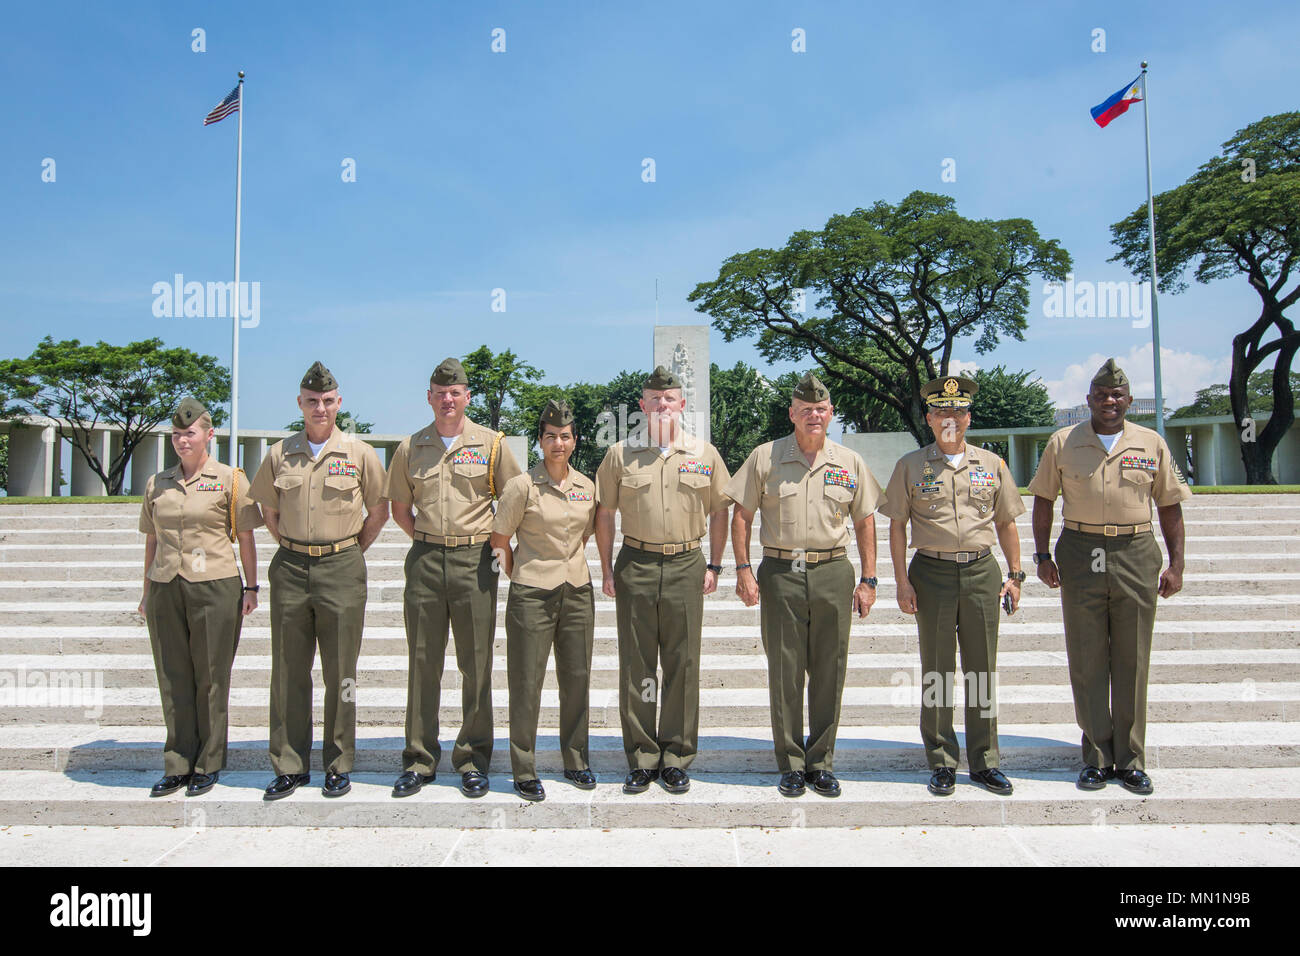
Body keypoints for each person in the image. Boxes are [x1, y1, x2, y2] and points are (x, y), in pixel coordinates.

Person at [1028, 358, 1190, 795]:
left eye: (1117, 395)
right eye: (1101, 395)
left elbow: (1170, 506)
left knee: (1132, 658)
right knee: (1087, 657)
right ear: (1089, 401)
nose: (1109, 401)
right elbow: (1043, 500)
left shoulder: (1151, 443)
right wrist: (1042, 555)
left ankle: (1132, 759)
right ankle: (1097, 757)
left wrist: (1176, 564)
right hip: (1080, 551)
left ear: (1129, 401)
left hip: (1135, 550)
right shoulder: (1064, 441)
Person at [726, 373, 882, 798]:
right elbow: (741, 515)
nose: (814, 415)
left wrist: (869, 579)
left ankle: (821, 762)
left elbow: (865, 521)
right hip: (781, 573)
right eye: (805, 409)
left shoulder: (849, 462)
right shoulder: (765, 457)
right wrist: (742, 569)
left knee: (830, 670)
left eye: (821, 409)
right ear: (792, 414)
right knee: (786, 671)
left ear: (831, 414)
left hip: (834, 571)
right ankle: (792, 763)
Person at [879, 375, 1025, 797]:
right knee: (937, 671)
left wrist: (1015, 575)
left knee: (982, 670)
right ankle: (942, 760)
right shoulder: (910, 465)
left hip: (982, 573)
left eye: (958, 411)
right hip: (932, 573)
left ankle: (985, 761)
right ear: (929, 417)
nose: (950, 419)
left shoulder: (993, 464)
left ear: (968, 418)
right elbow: (897, 527)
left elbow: (1006, 523)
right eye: (942, 411)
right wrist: (901, 582)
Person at [248, 361, 388, 800]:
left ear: (339, 402)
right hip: (290, 568)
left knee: (341, 671)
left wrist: (346, 551)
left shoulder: (360, 454)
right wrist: (294, 546)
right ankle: (289, 764)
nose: (320, 408)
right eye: (312, 402)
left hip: (342, 567)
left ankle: (338, 762)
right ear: (300, 404)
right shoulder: (278, 453)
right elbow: (268, 512)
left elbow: (379, 512)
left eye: (328, 401)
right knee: (288, 670)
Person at [386, 357, 523, 798]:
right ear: (429, 397)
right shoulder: (411, 447)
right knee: (423, 664)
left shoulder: (492, 445)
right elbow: (399, 509)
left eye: (455, 392)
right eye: (439, 393)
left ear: (467, 397)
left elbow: (516, 497)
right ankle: (419, 759)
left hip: (475, 562)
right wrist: (429, 541)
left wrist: (496, 545)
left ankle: (472, 757)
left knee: (476, 663)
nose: (447, 399)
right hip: (425, 559)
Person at [594, 366, 730, 795]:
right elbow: (604, 514)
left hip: (687, 563)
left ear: (682, 404)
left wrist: (716, 566)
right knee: (637, 664)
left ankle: (676, 756)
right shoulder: (620, 454)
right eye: (654, 399)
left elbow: (721, 511)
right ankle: (641, 756)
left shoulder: (704, 453)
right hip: (635, 562)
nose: (662, 406)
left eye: (669, 399)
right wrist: (605, 567)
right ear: (642, 405)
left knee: (682, 664)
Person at [137, 397, 263, 797]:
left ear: (208, 435)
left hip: (215, 584)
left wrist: (251, 586)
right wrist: (146, 592)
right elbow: (151, 540)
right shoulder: (158, 482)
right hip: (165, 586)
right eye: (176, 434)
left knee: (211, 677)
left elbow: (246, 537)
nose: (181, 440)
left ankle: (208, 762)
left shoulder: (230, 479)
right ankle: (177, 763)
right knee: (173, 676)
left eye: (189, 433)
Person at [489, 399, 598, 802]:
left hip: (577, 591)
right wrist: (523, 573)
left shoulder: (587, 487)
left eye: (565, 437)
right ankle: (524, 768)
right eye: (550, 436)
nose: (558, 443)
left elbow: (584, 535)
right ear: (540, 441)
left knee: (576, 680)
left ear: (575, 440)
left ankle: (576, 760)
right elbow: (500, 541)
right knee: (526, 683)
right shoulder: (522, 486)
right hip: (532, 594)